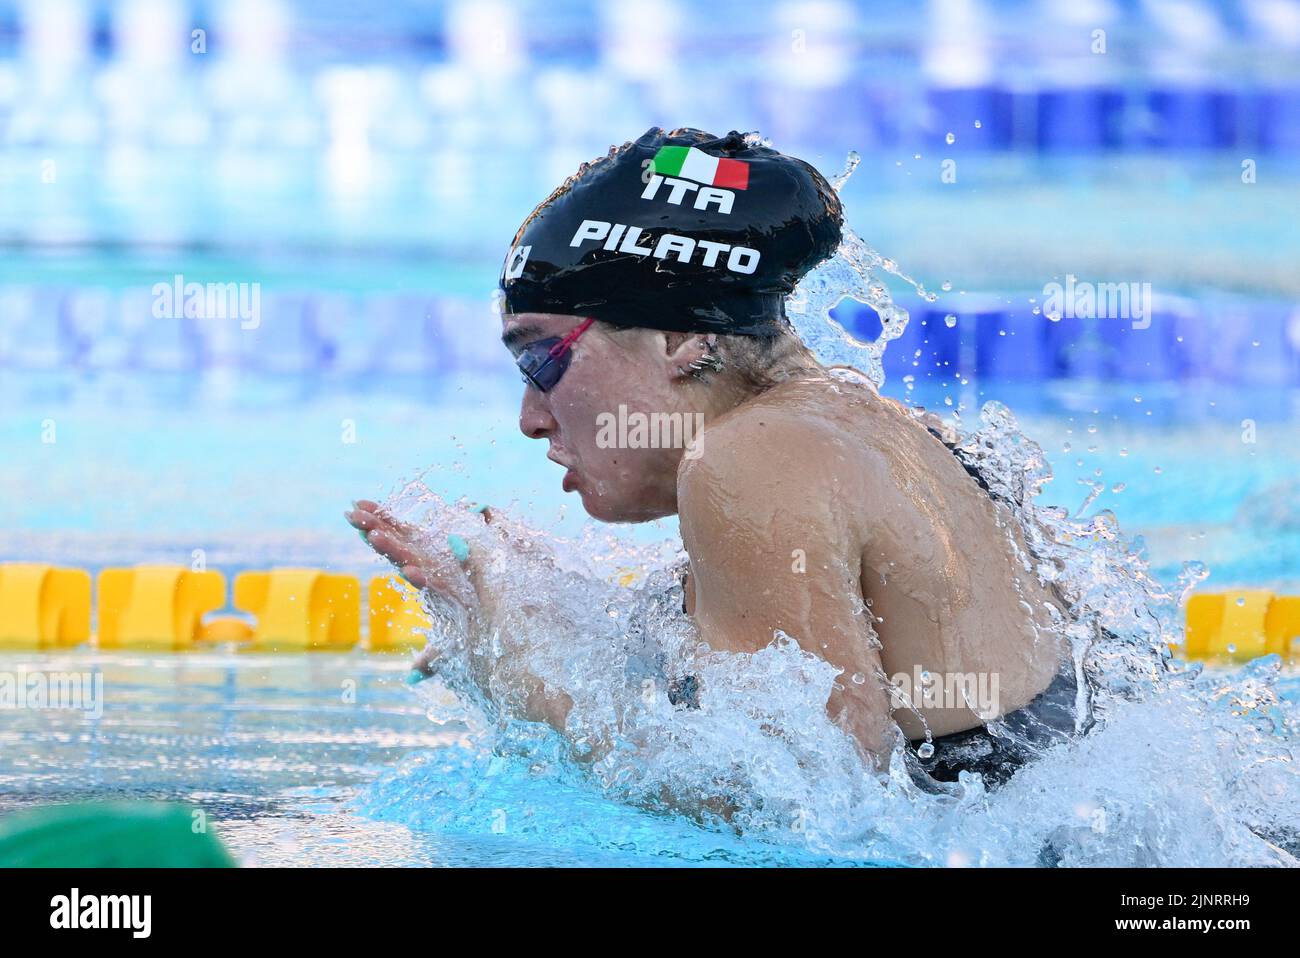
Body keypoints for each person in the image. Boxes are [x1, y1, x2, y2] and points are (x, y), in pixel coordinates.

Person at [346, 127, 1084, 787]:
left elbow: (808, 797)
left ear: (680, 338)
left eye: (542, 358)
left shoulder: (746, 463)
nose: (530, 419)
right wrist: (547, 613)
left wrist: (523, 684)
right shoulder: (894, 435)